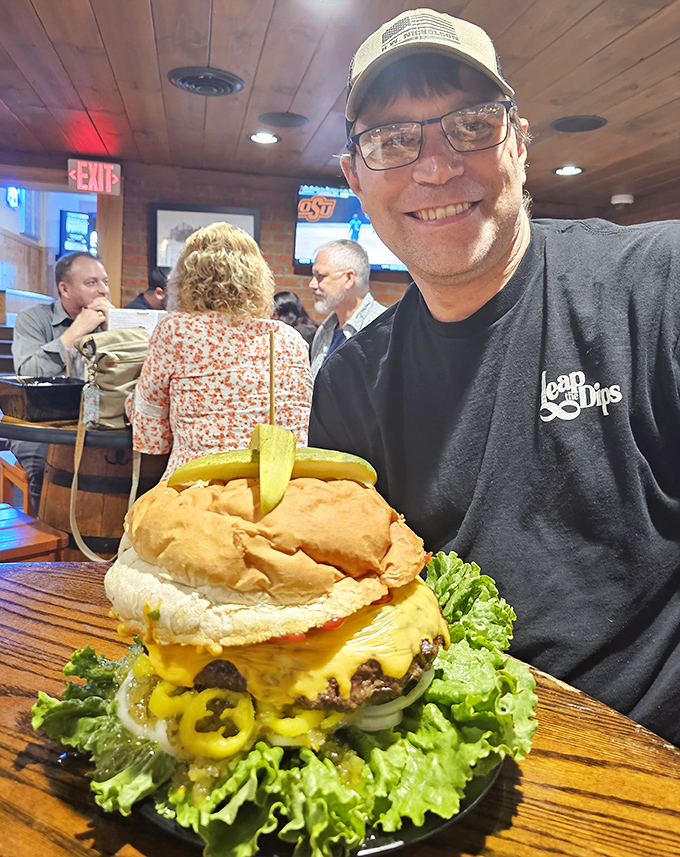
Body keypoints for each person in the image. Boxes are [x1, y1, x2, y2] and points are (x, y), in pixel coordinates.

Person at [308, 9, 680, 746]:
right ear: (354, 177)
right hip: (445, 752)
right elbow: (353, 600)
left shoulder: (654, 286)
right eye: (392, 140)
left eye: (471, 125)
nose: (435, 167)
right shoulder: (349, 381)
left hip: (648, 758)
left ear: (518, 142)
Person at [126, 222, 312, 479]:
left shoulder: (177, 330)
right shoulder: (291, 339)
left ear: (186, 279)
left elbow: (150, 433)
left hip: (199, 487)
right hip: (279, 486)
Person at [10, 251, 114, 512]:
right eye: (91, 283)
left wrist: (116, 333)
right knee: (46, 464)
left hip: (99, 420)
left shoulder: (114, 322)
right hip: (41, 422)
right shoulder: (33, 319)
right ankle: (48, 531)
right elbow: (27, 374)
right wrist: (76, 331)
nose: (103, 290)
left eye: (105, 281)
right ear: (64, 289)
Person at [308, 239, 385, 378]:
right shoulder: (324, 332)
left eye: (321, 276)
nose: (312, 284)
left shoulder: (383, 329)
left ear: (349, 278)